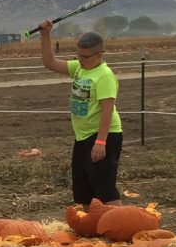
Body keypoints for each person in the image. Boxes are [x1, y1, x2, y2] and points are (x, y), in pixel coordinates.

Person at [38, 22, 123, 205]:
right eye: (78, 55)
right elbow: (50, 62)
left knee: (104, 189)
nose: (81, 60)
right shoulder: (79, 68)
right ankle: (88, 223)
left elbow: (107, 111)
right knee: (83, 190)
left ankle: (118, 222)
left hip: (103, 136)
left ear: (99, 55)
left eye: (85, 57)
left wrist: (101, 142)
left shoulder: (104, 76)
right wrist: (45, 36)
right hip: (82, 137)